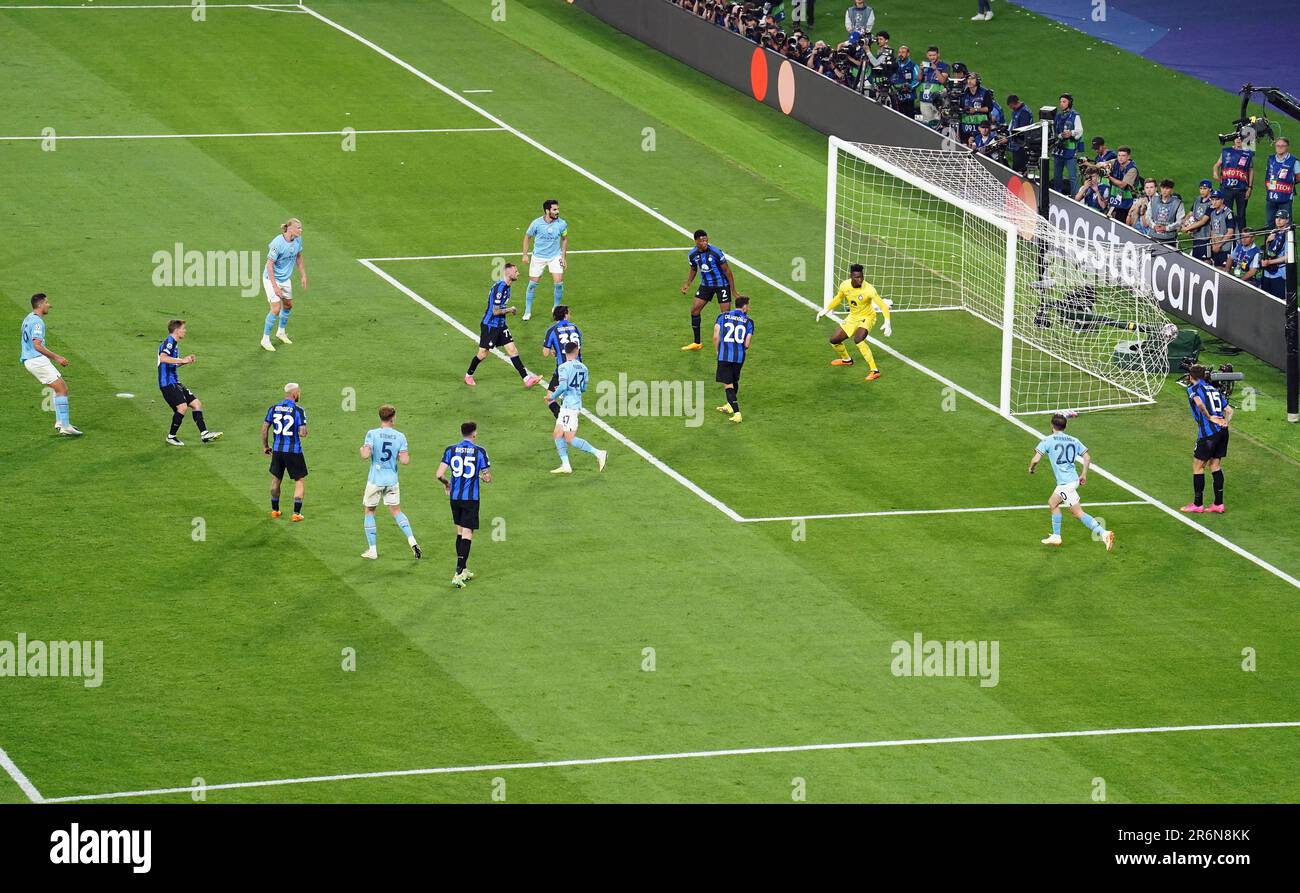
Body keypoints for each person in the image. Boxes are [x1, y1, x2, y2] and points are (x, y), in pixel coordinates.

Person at [1028, 414, 1115, 551]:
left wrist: (1031, 468)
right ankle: (1056, 536)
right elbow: (1087, 456)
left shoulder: (1047, 440)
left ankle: (1104, 534)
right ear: (1066, 426)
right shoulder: (1074, 440)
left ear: (1052, 426)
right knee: (1053, 503)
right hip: (1073, 479)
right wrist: (1084, 474)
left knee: (1077, 513)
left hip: (1065, 483)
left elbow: (1036, 459)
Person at [465, 263, 543, 388]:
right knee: (483, 353)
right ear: (508, 273)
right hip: (490, 325)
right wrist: (510, 309)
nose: (518, 273)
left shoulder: (507, 286)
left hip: (501, 325)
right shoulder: (500, 288)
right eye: (516, 271)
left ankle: (527, 379)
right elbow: (495, 311)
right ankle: (468, 375)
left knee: (513, 350)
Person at [359, 405, 420, 561]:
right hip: (392, 480)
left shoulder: (372, 434)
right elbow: (405, 460)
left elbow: (365, 455)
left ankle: (372, 550)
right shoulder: (400, 436)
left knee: (370, 511)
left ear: (381, 417)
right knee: (396, 511)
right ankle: (412, 540)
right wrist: (397, 456)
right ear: (393, 418)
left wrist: (363, 450)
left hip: (375, 480)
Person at [437, 422, 492, 588]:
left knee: (460, 532)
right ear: (474, 434)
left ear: (461, 433)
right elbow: (487, 477)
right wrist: (483, 477)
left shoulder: (450, 450)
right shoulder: (479, 451)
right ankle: (458, 572)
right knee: (468, 533)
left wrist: (447, 484)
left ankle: (464, 568)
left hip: (455, 497)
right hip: (471, 499)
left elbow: (439, 474)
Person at [816, 263, 892, 381]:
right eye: (857, 277)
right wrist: (826, 309)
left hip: (867, 317)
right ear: (851, 276)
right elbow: (839, 298)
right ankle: (847, 360)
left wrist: (887, 322)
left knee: (858, 339)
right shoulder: (845, 286)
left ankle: (874, 371)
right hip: (852, 317)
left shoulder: (869, 289)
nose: (860, 279)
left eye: (861, 277)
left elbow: (883, 306)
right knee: (834, 340)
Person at [20, 293, 80, 436]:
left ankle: (61, 423)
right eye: (46, 302)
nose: (49, 305)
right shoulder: (38, 322)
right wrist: (57, 358)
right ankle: (65, 426)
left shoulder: (28, 318)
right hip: (36, 360)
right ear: (40, 305)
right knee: (62, 389)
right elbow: (37, 345)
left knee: (57, 389)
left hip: (31, 359)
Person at [158, 319, 222, 447]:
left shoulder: (175, 344)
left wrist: (184, 361)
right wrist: (182, 359)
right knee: (182, 407)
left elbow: (172, 364)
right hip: (167, 383)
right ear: (177, 330)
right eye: (183, 329)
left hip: (175, 382)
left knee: (196, 404)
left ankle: (204, 434)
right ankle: (171, 437)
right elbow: (163, 358)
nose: (185, 331)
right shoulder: (169, 342)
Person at [547, 342, 608, 475]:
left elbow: (563, 386)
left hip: (570, 407)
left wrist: (552, 397)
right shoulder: (584, 368)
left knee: (569, 438)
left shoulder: (563, 367)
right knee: (557, 433)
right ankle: (566, 465)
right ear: (577, 351)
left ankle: (599, 453)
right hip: (572, 405)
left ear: (565, 352)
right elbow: (583, 388)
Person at [1180, 365, 1232, 514]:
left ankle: (1198, 504)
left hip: (1208, 433)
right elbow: (1229, 410)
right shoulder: (1214, 389)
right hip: (1223, 431)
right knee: (1215, 465)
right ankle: (1218, 504)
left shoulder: (1193, 389)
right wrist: (1225, 422)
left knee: (1198, 466)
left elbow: (1199, 403)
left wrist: (1209, 418)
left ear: (1191, 377)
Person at [681, 230, 736, 351]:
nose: (704, 242)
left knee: (726, 316)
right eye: (701, 241)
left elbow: (727, 271)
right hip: (706, 285)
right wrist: (688, 283)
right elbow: (693, 269)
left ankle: (728, 345)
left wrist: (733, 290)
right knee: (695, 310)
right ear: (696, 241)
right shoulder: (692, 254)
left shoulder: (716, 252)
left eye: (706, 240)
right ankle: (697, 343)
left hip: (722, 285)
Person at [260, 217, 307, 352]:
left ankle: (281, 332)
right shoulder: (277, 243)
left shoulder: (297, 240)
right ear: (291, 229)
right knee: (275, 308)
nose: (301, 230)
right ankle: (265, 339)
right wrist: (275, 287)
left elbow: (298, 256)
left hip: (285, 279)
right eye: (299, 228)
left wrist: (303, 275)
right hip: (271, 279)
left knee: (288, 305)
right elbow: (269, 266)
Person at [263, 382, 308, 522]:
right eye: (299, 392)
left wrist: (265, 446)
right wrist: (303, 430)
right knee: (299, 480)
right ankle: (296, 513)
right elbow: (302, 433)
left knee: (276, 479)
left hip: (277, 450)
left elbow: (264, 428)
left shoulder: (273, 408)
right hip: (293, 450)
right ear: (294, 394)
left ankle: (275, 510)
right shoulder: (298, 410)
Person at [521, 199, 569, 321]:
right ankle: (527, 311)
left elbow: (564, 239)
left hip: (555, 256)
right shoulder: (536, 223)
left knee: (559, 283)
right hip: (538, 257)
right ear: (547, 210)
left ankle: (556, 307)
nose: (557, 211)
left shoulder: (562, 224)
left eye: (558, 209)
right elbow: (527, 237)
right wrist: (525, 254)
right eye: (554, 209)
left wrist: (563, 257)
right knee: (532, 284)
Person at [713, 295, 754, 423]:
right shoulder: (749, 322)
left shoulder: (722, 316)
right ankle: (729, 406)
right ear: (745, 306)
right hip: (739, 357)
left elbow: (715, 336)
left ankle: (737, 413)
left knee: (728, 385)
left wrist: (718, 351)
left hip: (724, 356)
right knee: (733, 381)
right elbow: (747, 344)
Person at [542, 305, 582, 419]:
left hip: (563, 369)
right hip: (578, 368)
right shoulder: (576, 328)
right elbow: (576, 347)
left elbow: (545, 353)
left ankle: (562, 419)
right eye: (569, 313)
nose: (570, 315)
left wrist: (554, 350)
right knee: (570, 398)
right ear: (565, 315)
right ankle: (565, 419)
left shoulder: (552, 330)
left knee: (550, 397)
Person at [1213, 133, 1254, 227]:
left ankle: (1242, 237)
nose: (1238, 140)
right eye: (1236, 138)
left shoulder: (1248, 153)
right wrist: (1215, 173)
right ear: (1233, 140)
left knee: (1241, 214)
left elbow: (1251, 170)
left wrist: (1250, 187)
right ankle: (1228, 234)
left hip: (1242, 189)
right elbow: (1217, 165)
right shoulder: (1226, 151)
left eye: (1241, 138)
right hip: (1226, 188)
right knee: (1227, 212)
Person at [1051, 93, 1083, 196]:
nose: (1061, 104)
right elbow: (1054, 131)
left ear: (1069, 102)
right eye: (1060, 101)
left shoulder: (1075, 116)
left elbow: (1079, 131)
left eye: (1064, 101)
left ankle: (1076, 197)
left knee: (1073, 176)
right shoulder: (1058, 115)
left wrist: (1071, 133)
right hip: (1059, 150)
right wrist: (1060, 136)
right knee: (1057, 175)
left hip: (1070, 151)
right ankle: (1057, 194)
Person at [1264, 137, 1300, 227]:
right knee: (1269, 222)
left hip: (1285, 197)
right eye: (1278, 146)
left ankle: (1288, 241)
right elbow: (1268, 175)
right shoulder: (1270, 159)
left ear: (1287, 147)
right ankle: (1269, 241)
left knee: (1286, 223)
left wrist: (1287, 184)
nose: (1279, 148)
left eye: (1282, 146)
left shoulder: (1293, 161)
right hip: (1271, 196)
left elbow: (1298, 177)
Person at [1260, 209, 1291, 298]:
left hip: (1279, 274)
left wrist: (1270, 262)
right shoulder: (1273, 232)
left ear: (1287, 220)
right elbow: (1267, 251)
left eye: (1282, 218)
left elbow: (1288, 257)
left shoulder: (1288, 235)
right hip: (1267, 272)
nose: (1278, 220)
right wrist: (1267, 242)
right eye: (1277, 217)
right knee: (1266, 300)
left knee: (1279, 302)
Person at [1181, 179, 1215, 261]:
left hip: (1205, 237)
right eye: (1201, 188)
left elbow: (1203, 221)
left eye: (1205, 188)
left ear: (1210, 189)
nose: (1202, 191)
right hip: (1196, 236)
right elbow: (1190, 213)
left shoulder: (1212, 203)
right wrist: (1184, 223)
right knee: (1196, 259)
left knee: (1206, 261)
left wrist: (1188, 228)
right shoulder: (1197, 199)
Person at [1144, 179, 1185, 246]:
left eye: (1167, 188)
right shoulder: (1153, 200)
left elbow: (1180, 221)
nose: (1164, 190)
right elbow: (1148, 217)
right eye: (1163, 188)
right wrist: (1154, 226)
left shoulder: (1178, 203)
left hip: (1169, 239)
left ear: (1171, 190)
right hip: (1153, 236)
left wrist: (1166, 228)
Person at [1105, 145, 1139, 222]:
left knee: (1120, 222)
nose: (1120, 158)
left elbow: (1123, 185)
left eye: (1123, 156)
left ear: (1128, 157)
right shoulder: (1115, 162)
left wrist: (1109, 177)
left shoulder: (1132, 169)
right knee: (1110, 219)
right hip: (1115, 198)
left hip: (1126, 201)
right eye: (1119, 155)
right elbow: (1101, 164)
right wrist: (1088, 164)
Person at [1206, 190, 1237, 269]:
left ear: (1222, 200)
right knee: (1216, 268)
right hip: (1216, 247)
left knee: (1225, 270)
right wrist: (1213, 245)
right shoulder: (1212, 213)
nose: (1214, 202)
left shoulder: (1228, 213)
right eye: (1212, 200)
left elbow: (1230, 232)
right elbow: (1212, 231)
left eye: (1217, 199)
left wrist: (1219, 245)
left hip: (1226, 248)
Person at [959, 73, 993, 144]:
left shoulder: (985, 92)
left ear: (977, 81)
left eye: (972, 79)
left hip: (981, 127)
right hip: (966, 127)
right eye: (968, 79)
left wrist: (976, 110)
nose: (969, 81)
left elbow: (989, 108)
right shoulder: (964, 93)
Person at [1006, 94, 1033, 173]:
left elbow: (1022, 132)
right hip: (1016, 145)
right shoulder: (1016, 111)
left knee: (1019, 170)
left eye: (1011, 106)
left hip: (1021, 146)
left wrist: (1008, 139)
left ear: (1014, 103)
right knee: (1016, 169)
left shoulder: (1024, 112)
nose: (1011, 108)